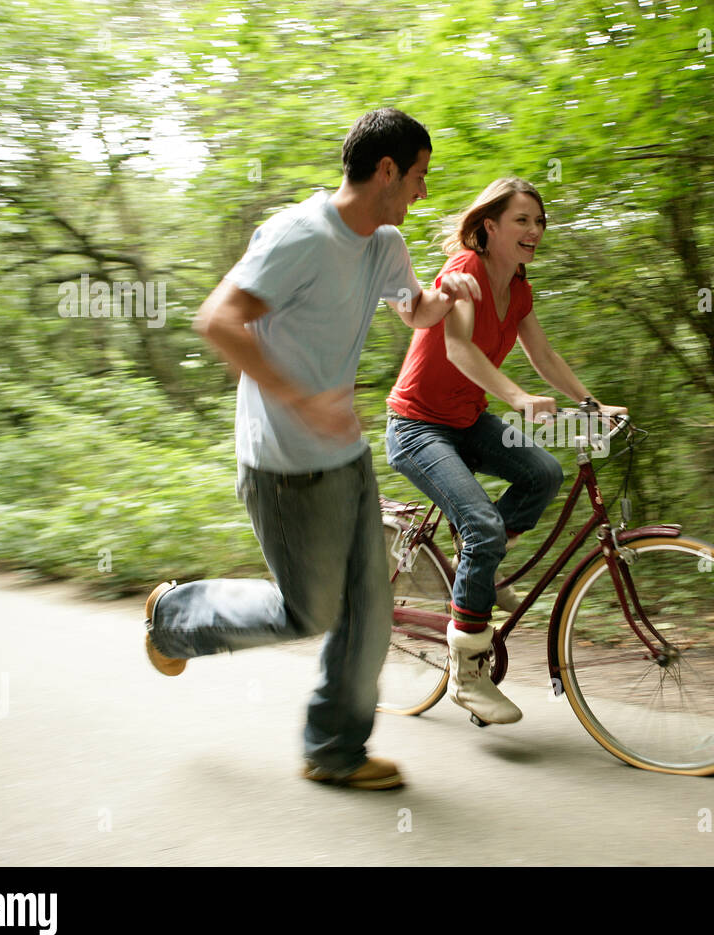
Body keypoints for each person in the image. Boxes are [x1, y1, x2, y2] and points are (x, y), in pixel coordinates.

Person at [142, 108, 480, 790]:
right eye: (418, 176)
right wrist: (303, 399)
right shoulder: (298, 235)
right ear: (386, 170)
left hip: (346, 456)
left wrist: (444, 295)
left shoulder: (384, 243)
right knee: (309, 611)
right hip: (283, 464)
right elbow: (218, 320)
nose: (423, 191)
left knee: (370, 613)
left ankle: (334, 750)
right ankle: (174, 618)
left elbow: (411, 309)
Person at [384, 177, 627, 725]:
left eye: (539, 222)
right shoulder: (464, 271)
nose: (534, 230)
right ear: (489, 226)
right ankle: (467, 676)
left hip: (468, 421)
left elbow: (542, 353)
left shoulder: (518, 287)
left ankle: (477, 568)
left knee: (542, 473)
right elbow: (458, 348)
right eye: (522, 220)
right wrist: (517, 398)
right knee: (482, 526)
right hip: (418, 427)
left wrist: (592, 405)